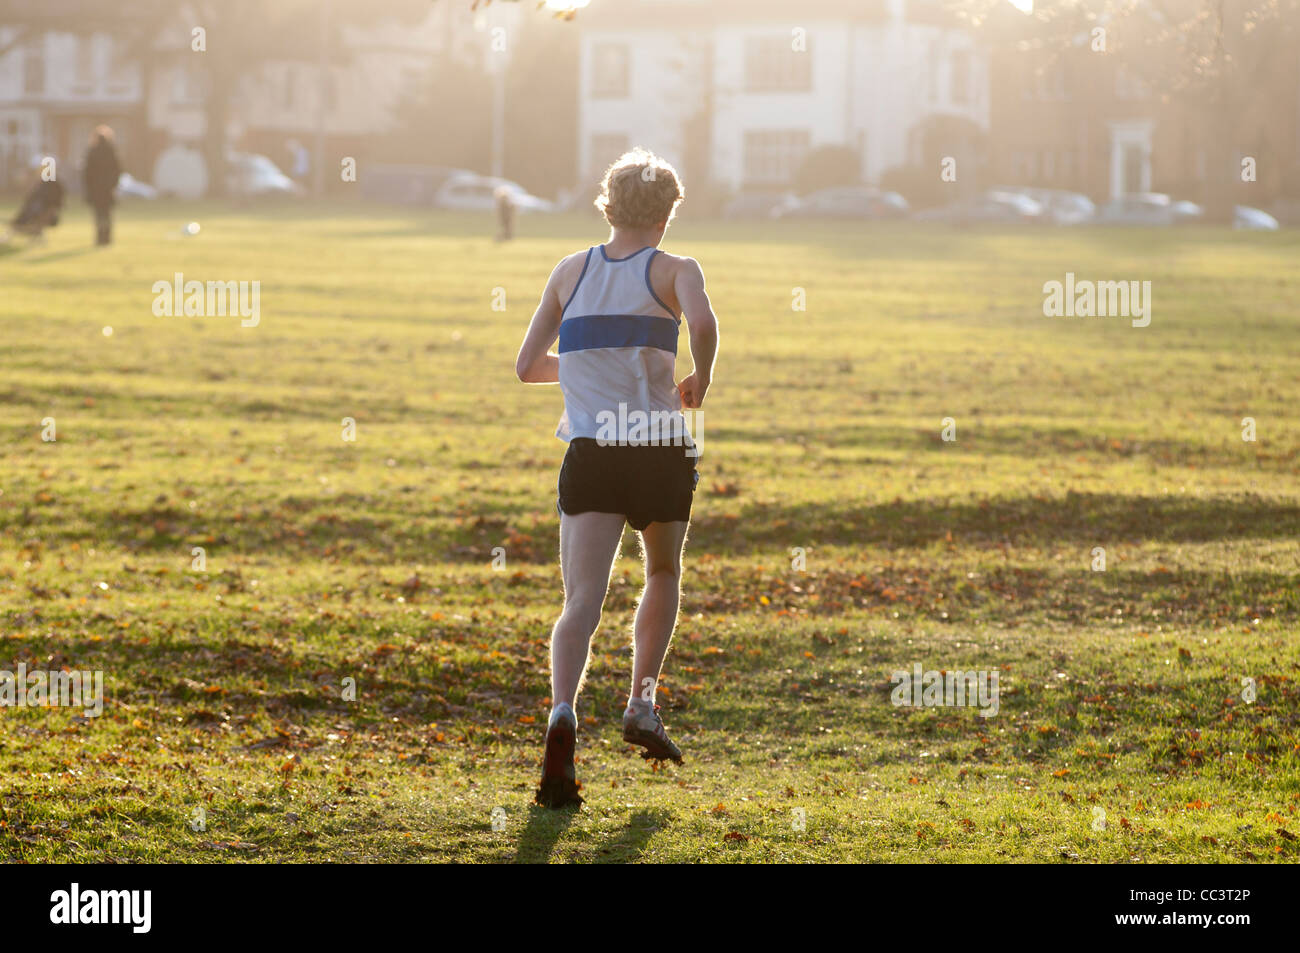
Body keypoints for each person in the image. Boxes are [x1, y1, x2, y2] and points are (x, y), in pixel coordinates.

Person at [514, 148, 719, 808]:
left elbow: (527, 366)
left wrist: (582, 368)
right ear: (665, 215)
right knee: (661, 573)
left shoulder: (570, 272)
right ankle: (641, 701)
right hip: (657, 443)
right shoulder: (676, 270)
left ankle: (562, 713)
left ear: (609, 205)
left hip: (593, 448)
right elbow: (707, 324)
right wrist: (701, 376)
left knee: (581, 601)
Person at [4, 158, 64, 245]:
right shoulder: (42, 183)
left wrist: (51, 209)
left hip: (43, 211)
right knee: (26, 213)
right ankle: (17, 225)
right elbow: (30, 198)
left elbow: (55, 202)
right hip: (34, 211)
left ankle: (18, 225)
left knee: (31, 213)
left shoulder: (54, 185)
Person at [82, 126, 122, 246]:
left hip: (96, 190)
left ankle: (100, 237)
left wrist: (88, 188)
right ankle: (107, 237)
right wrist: (114, 185)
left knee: (98, 214)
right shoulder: (112, 152)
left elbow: (87, 173)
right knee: (107, 214)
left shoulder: (92, 152)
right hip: (108, 189)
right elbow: (118, 170)